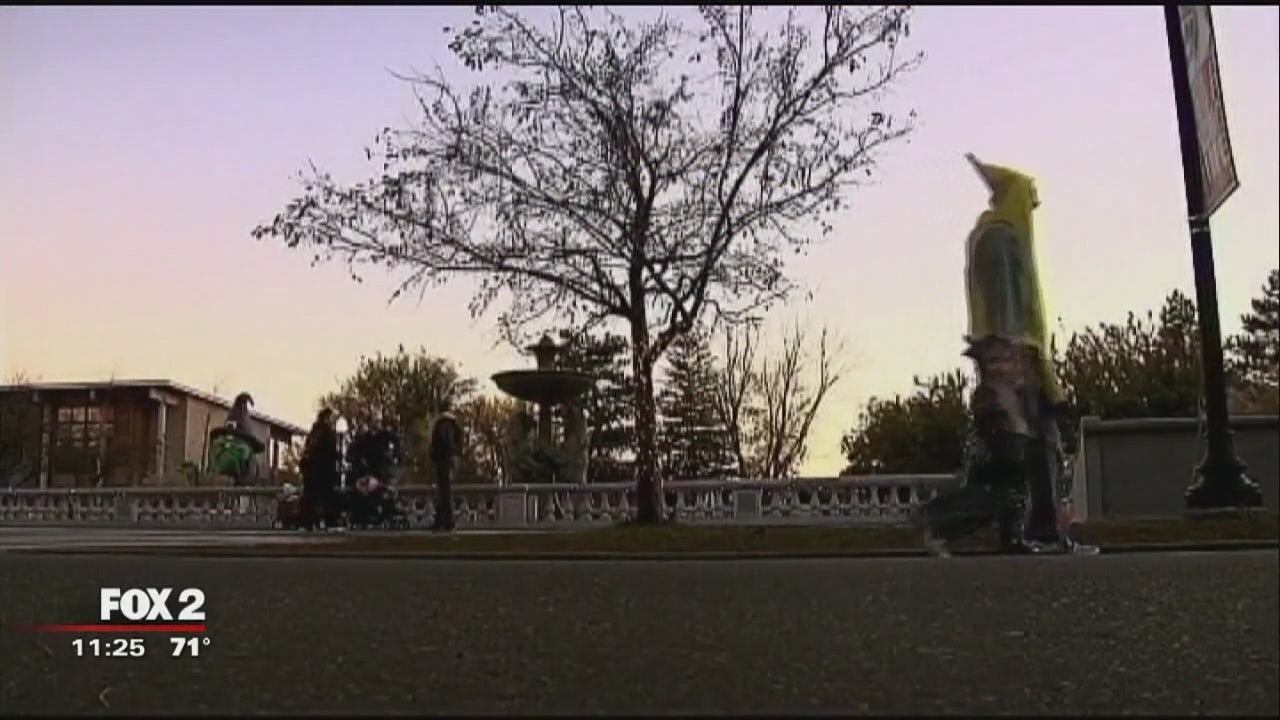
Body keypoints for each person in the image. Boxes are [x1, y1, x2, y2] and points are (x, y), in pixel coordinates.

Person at [924, 153, 1090, 556]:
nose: (1033, 209)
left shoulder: (987, 236)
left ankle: (1038, 531)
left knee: (1031, 451)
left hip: (1009, 359)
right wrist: (1032, 371)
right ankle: (943, 522)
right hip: (1014, 362)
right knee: (1013, 459)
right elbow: (1015, 313)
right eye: (1030, 199)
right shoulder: (1003, 240)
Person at [428, 400, 466, 532]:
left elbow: (442, 443)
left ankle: (448, 522)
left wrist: (436, 455)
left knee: (444, 491)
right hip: (453, 460)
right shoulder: (455, 423)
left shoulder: (442, 424)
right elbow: (460, 442)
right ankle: (440, 521)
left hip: (444, 460)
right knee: (444, 491)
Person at [300, 408, 340, 529]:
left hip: (312, 470)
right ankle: (329, 522)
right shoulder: (326, 433)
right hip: (322, 471)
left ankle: (308, 522)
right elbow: (329, 452)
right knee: (327, 497)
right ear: (326, 418)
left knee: (311, 498)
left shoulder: (315, 432)